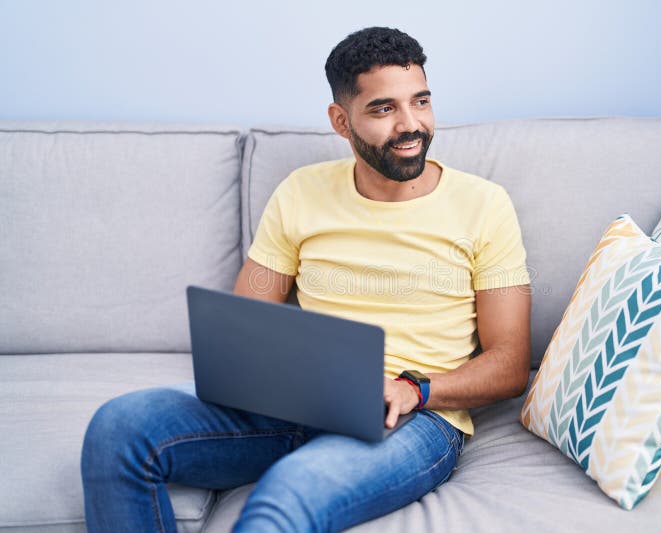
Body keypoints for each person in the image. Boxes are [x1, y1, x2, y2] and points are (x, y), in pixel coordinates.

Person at [80, 26, 532, 532]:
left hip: (415, 417)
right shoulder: (301, 192)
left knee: (286, 496)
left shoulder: (484, 205)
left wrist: (415, 389)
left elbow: (509, 365)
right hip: (298, 404)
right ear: (341, 121)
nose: (411, 125)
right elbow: (246, 322)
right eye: (384, 109)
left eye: (421, 101)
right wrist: (259, 374)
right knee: (117, 427)